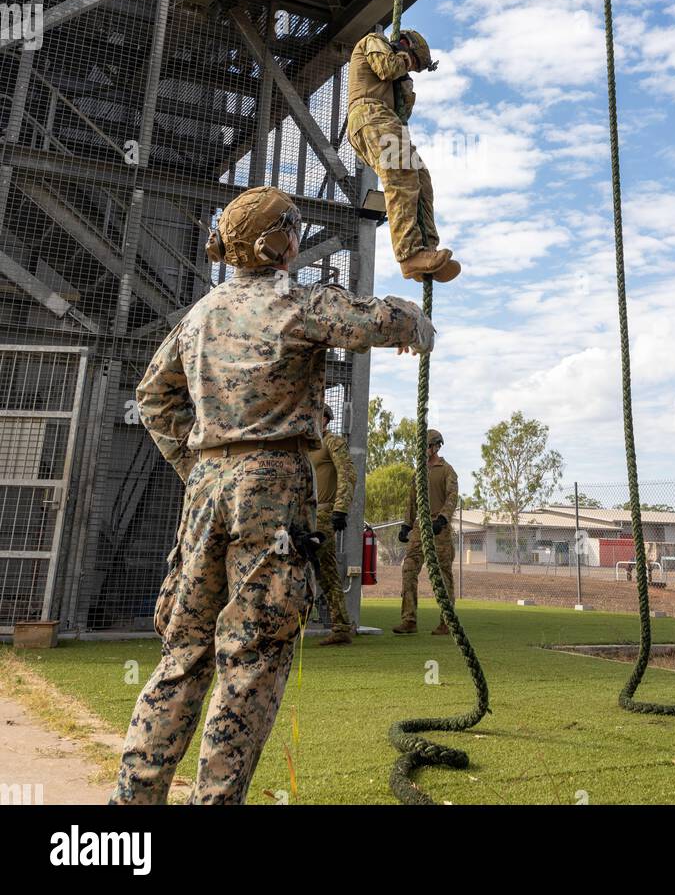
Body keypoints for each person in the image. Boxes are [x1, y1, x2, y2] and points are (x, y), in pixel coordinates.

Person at [110, 185, 433, 805]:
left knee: (183, 653)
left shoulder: (199, 316)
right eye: (293, 227)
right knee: (251, 657)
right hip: (274, 485)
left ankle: (130, 807)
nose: (297, 236)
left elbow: (154, 396)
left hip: (206, 489)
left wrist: (195, 461)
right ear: (274, 244)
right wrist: (416, 322)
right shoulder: (295, 302)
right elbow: (375, 321)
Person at [347, 28, 460, 283]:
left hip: (387, 121)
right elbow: (386, 68)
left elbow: (403, 114)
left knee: (422, 180)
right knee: (403, 178)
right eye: (415, 63)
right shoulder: (372, 41)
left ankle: (427, 249)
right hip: (370, 116)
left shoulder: (401, 71)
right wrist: (403, 61)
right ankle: (409, 254)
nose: (412, 69)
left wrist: (405, 87)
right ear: (405, 45)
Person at [393, 429, 458, 636]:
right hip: (420, 529)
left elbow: (452, 497)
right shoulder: (418, 472)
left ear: (436, 446)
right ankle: (409, 620)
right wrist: (406, 525)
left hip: (440, 529)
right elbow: (412, 501)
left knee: (442, 575)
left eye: (428, 446)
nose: (424, 450)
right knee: (409, 569)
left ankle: (447, 623)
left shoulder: (447, 470)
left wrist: (443, 519)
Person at [309, 403, 357, 646]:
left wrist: (340, 509)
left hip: (325, 514)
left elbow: (348, 473)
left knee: (325, 570)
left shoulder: (332, 442)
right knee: (316, 570)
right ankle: (340, 626)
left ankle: (340, 627)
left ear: (325, 419)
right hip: (302, 516)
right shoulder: (305, 446)